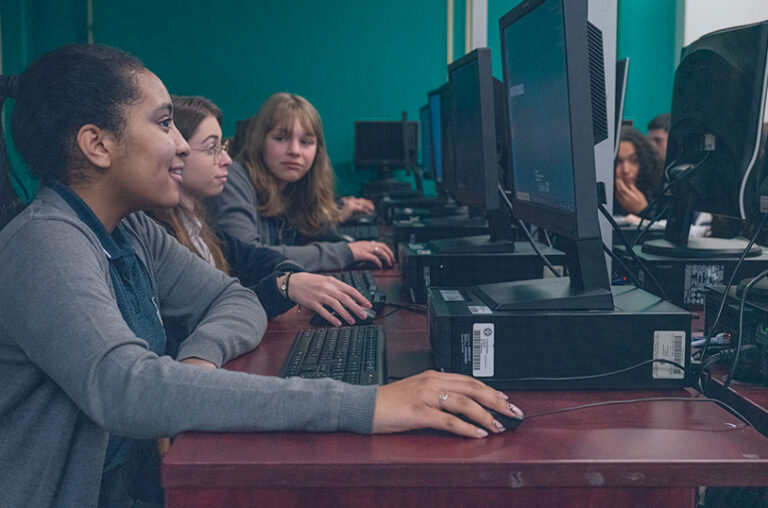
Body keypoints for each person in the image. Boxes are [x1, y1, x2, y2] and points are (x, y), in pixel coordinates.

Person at [0, 44, 522, 507]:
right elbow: (127, 389)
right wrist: (368, 404)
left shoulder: (131, 230)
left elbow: (236, 298)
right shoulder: (45, 243)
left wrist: (199, 360)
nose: (182, 145)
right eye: (164, 124)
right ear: (98, 145)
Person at [149, 95, 372, 328]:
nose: (226, 160)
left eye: (222, 147)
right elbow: (208, 311)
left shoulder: (198, 224)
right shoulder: (158, 233)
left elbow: (255, 258)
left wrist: (292, 279)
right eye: (212, 148)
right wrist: (283, 287)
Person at [210, 92, 394, 272]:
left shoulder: (290, 186)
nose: (295, 151)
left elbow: (308, 228)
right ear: (260, 141)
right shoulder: (233, 177)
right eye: (280, 138)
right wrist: (345, 252)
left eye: (306, 142)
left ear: (317, 151)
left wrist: (336, 215)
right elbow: (250, 257)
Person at [614, 126, 664, 218]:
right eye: (618, 162)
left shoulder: (661, 194)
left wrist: (643, 210)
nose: (626, 170)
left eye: (634, 161)